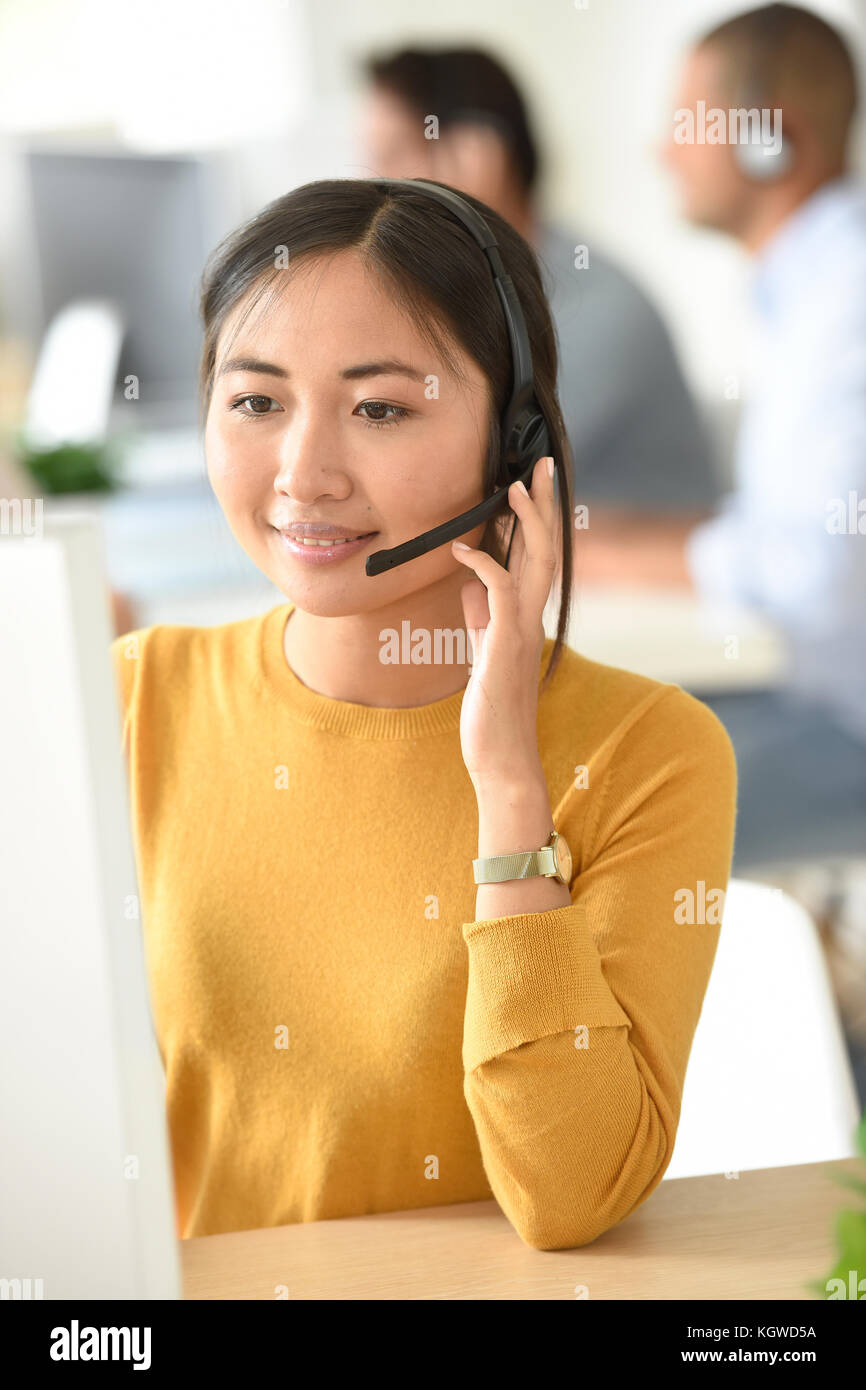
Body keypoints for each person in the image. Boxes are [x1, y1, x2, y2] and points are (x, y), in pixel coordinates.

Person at [109, 177, 736, 1246]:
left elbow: (571, 1192)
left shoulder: (652, 753)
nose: (302, 474)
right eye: (255, 401)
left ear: (512, 442)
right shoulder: (136, 701)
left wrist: (507, 790)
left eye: (380, 408)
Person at [578, 3, 866, 874]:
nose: (664, 151)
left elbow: (811, 575)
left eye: (686, 121)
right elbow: (782, 529)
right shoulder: (805, 288)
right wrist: (601, 544)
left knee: (591, 809)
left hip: (840, 724)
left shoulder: (845, 298)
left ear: (767, 138)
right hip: (810, 694)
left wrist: (600, 556)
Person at [360, 45, 720, 520]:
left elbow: (478, 473)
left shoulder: (599, 304)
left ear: (478, 156)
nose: (376, 190)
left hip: (651, 581)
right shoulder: (461, 296)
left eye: (393, 154)